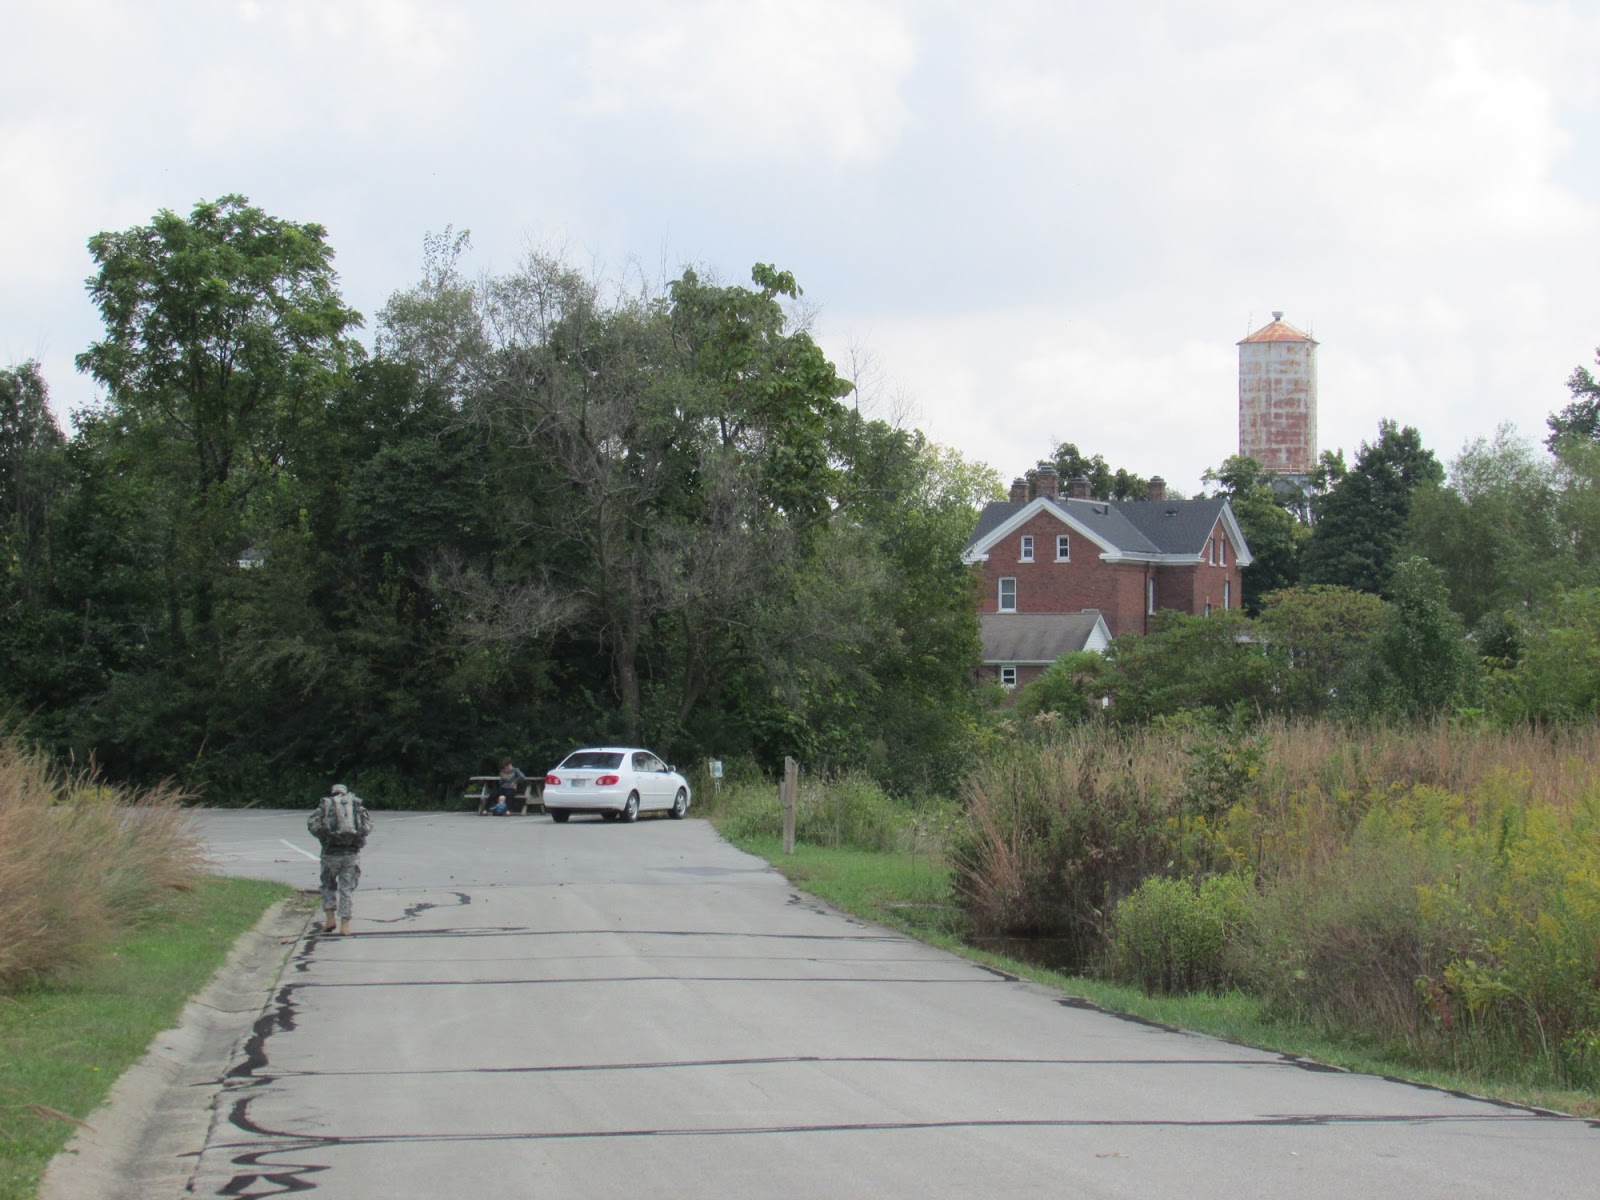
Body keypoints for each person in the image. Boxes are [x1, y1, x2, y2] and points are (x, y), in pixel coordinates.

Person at [306, 783, 373, 935]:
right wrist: (356, 836)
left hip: (330, 854)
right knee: (346, 889)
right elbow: (367, 826)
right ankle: (345, 925)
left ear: (333, 793)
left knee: (328, 886)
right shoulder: (356, 805)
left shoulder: (325, 806)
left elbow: (312, 825)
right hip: (350, 855)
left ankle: (330, 919)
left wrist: (325, 836)